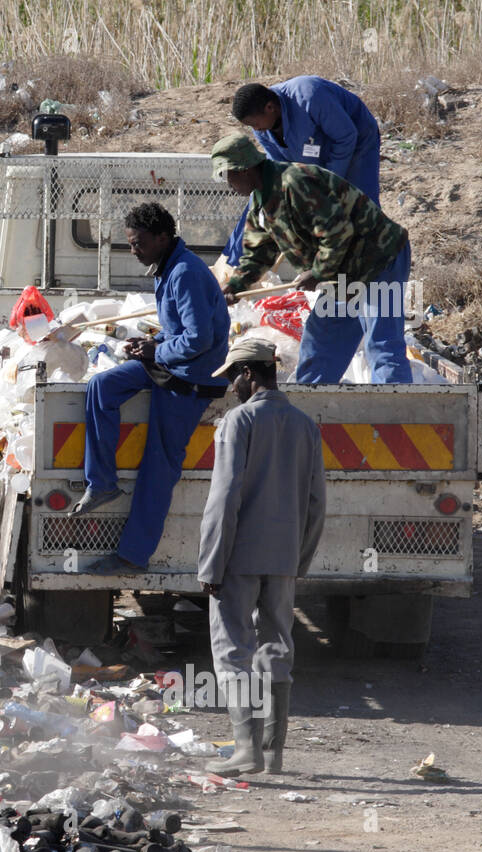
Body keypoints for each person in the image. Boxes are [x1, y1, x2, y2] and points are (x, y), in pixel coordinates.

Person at [71, 202, 230, 575]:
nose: (133, 250)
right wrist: (153, 347)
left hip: (193, 377)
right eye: (130, 243)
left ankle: (132, 557)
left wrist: (158, 350)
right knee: (102, 387)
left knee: (159, 467)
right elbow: (182, 335)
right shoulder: (169, 266)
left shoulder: (185, 273)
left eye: (138, 243)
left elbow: (199, 340)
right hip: (170, 363)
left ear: (162, 237)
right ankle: (103, 483)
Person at [198, 339, 326, 775]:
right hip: (283, 559)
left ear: (250, 374)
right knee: (276, 649)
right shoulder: (306, 425)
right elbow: (315, 502)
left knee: (232, 650)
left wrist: (211, 564)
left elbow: (224, 498)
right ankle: (273, 755)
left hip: (238, 558)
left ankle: (245, 750)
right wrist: (299, 562)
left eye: (234, 376)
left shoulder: (238, 422)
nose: (231, 386)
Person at [212, 132, 413, 384]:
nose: (228, 184)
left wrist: (317, 273)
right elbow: (258, 252)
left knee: (381, 342)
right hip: (341, 272)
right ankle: (311, 404)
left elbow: (338, 232)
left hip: (379, 260)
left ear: (242, 169)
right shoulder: (260, 203)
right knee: (321, 340)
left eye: (226, 176)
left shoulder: (295, 183)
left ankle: (396, 412)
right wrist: (235, 285)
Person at [221, 77, 382, 268]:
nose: (255, 129)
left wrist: (326, 184)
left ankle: (375, 261)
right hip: (314, 148)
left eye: (254, 123)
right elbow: (280, 171)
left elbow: (346, 137)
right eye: (250, 126)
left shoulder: (310, 96)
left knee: (357, 200)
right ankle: (235, 264)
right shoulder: (262, 130)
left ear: (270, 108)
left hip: (356, 140)